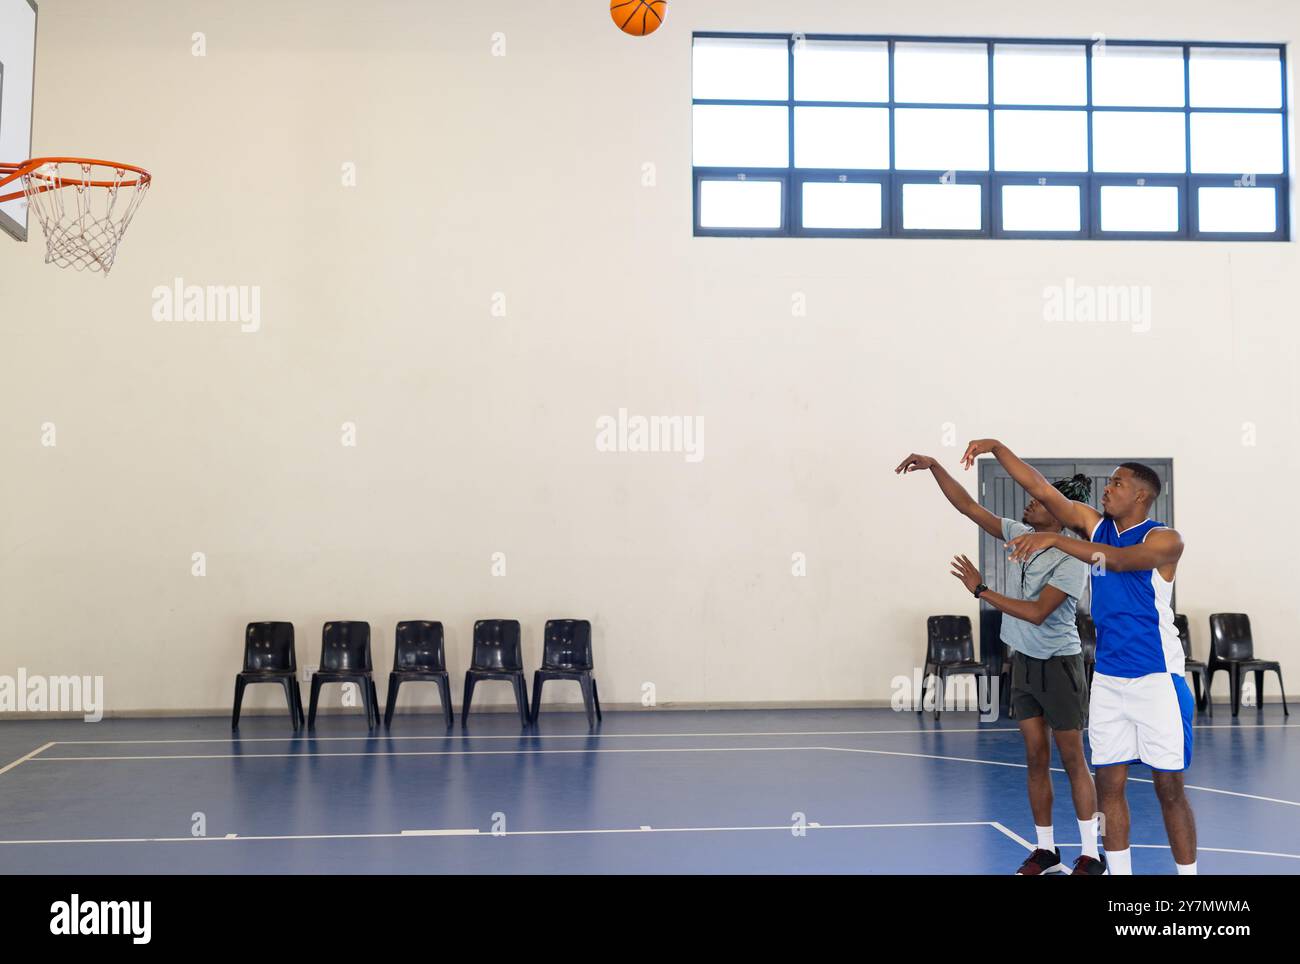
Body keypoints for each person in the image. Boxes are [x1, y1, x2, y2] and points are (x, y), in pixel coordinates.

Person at [960, 439, 1196, 876]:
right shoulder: (1094, 524)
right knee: (1109, 785)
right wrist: (996, 447)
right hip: (1107, 678)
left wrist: (1053, 538)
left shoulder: (1165, 539)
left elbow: (1121, 562)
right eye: (1109, 482)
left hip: (1157, 679)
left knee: (1169, 788)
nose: (1108, 488)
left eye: (1118, 483)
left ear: (1140, 495)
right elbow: (1040, 487)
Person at [895, 454, 1103, 874]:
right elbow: (970, 507)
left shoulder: (1072, 559)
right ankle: (1046, 849)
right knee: (1034, 757)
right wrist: (936, 467)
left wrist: (982, 590)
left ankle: (1090, 854)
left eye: (1040, 500)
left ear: (1059, 513)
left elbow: (1038, 612)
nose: (1030, 501)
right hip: (1024, 663)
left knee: (1072, 758)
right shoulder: (1021, 533)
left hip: (1059, 666)